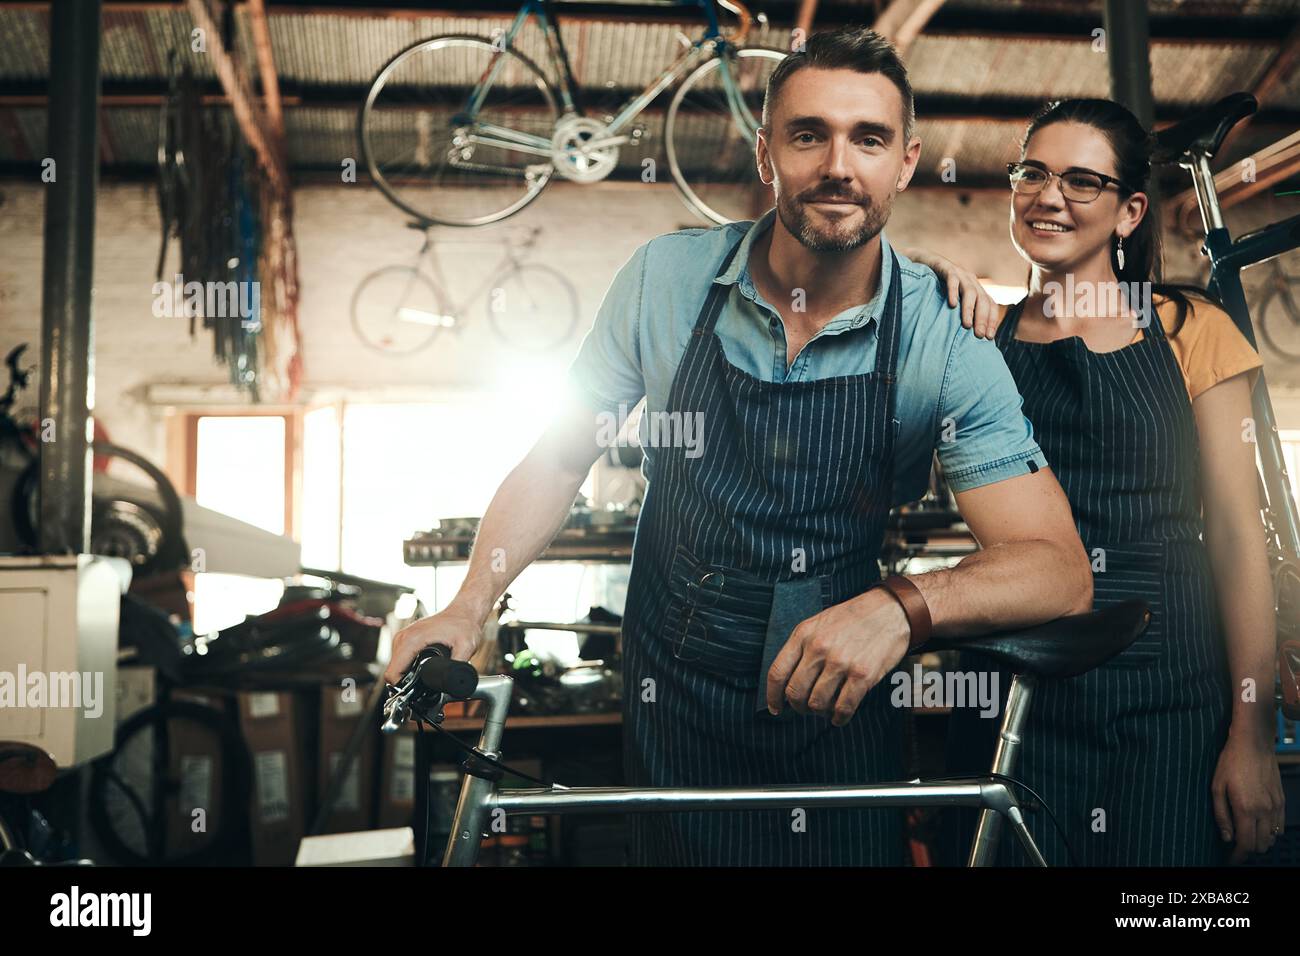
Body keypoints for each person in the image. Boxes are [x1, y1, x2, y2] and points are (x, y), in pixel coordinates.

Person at [385, 28, 1093, 866]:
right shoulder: (663, 283)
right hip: (675, 689)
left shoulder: (946, 339)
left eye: (867, 139)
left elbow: (1057, 569)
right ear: (766, 153)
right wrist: (472, 601)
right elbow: (559, 457)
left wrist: (903, 607)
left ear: (905, 163)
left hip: (840, 688)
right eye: (808, 134)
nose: (839, 165)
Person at [939, 98, 1286, 866]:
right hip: (1014, 682)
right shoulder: (975, 336)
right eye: (1032, 172)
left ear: (1130, 211)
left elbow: (1235, 537)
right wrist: (927, 287)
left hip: (1170, 690)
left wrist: (1251, 732)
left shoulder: (1192, 332)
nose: (1048, 195)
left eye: (1081, 180)